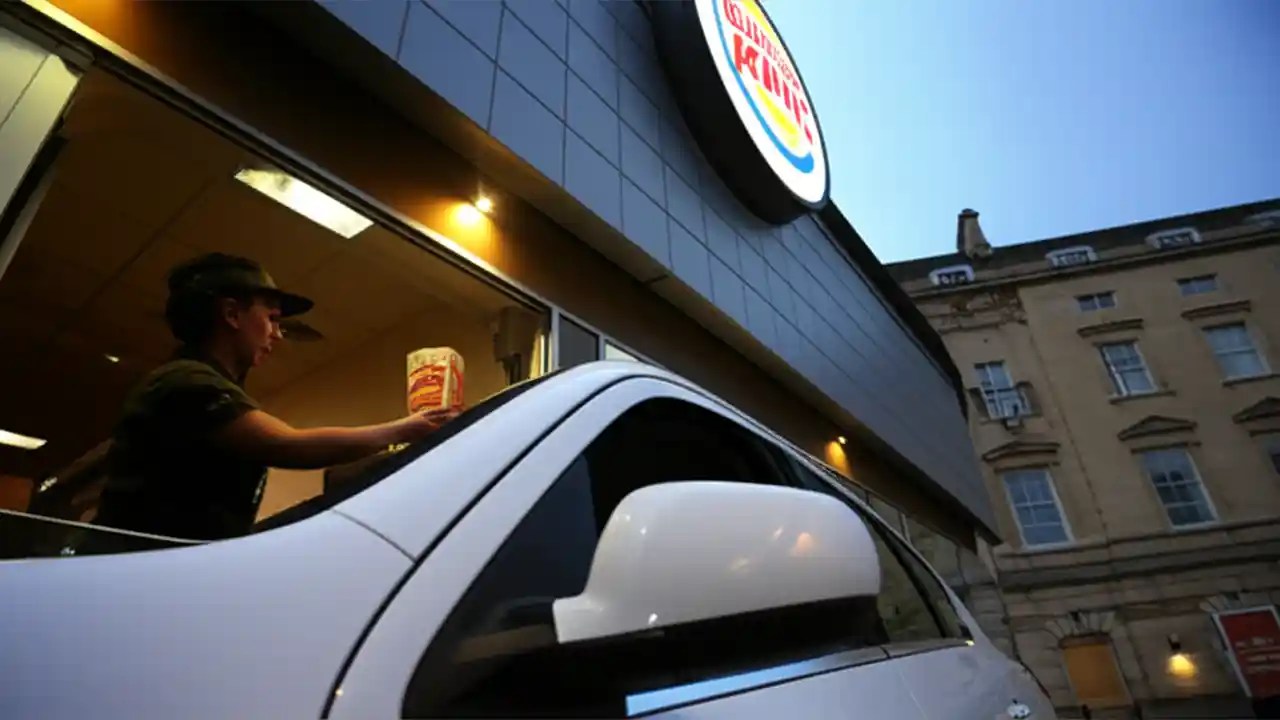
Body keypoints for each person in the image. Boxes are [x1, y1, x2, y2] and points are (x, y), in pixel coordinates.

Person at [91, 252, 457, 544]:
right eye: (271, 318)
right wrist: (404, 429)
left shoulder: (197, 381)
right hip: (138, 568)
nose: (277, 334)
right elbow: (289, 445)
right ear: (232, 314)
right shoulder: (185, 381)